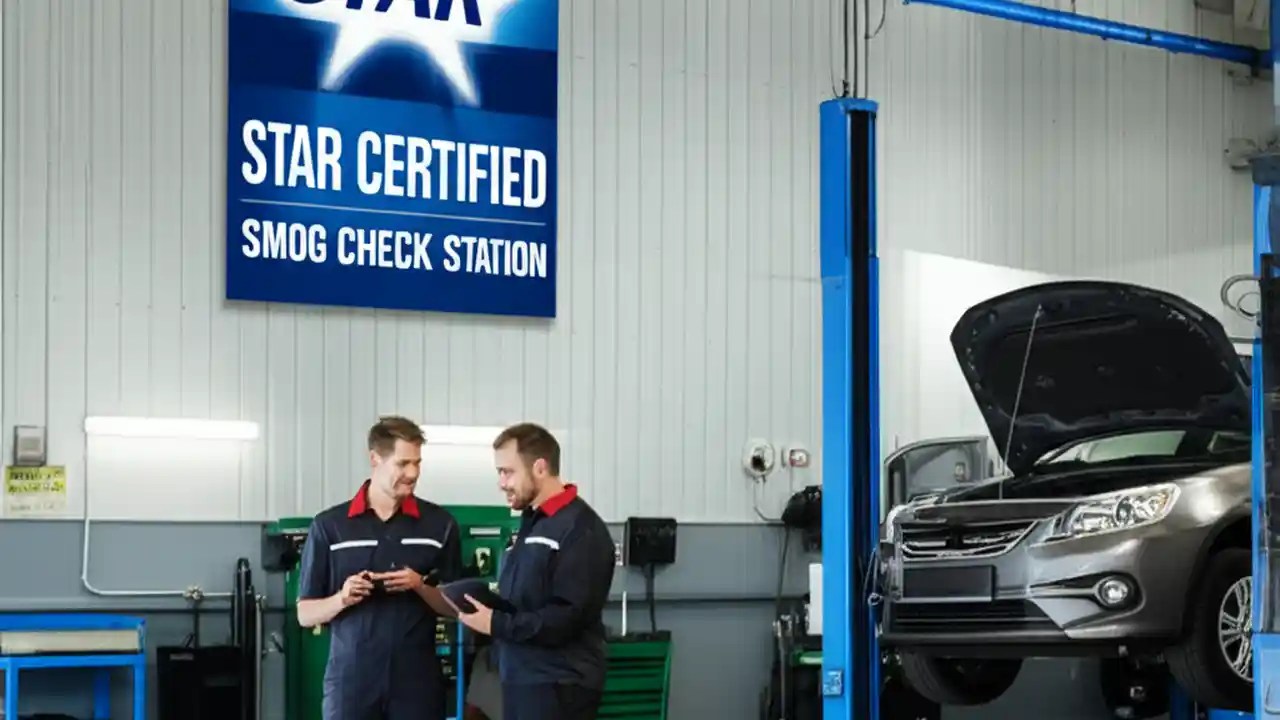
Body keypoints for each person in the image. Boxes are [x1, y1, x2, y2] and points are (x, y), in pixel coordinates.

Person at [296, 415, 463, 720]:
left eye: (417, 463)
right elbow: (305, 614)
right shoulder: (330, 527)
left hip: (417, 681)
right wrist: (342, 598)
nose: (412, 473)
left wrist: (419, 586)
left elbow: (457, 608)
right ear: (375, 459)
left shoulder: (440, 526)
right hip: (351, 681)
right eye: (402, 463)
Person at [454, 422, 617, 720]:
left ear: (540, 468)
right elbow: (524, 600)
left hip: (560, 683)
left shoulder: (580, 530)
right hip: (524, 676)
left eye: (508, 471)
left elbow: (567, 616)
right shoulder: (533, 523)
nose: (502, 482)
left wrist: (496, 624)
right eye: (499, 472)